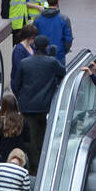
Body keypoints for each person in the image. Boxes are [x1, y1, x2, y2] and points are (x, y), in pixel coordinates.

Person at [12, 35, 67, 173]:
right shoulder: (52, 62)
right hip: (45, 106)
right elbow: (63, 73)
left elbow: (16, 84)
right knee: (43, 136)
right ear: (47, 47)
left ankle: (34, 166)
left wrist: (20, 98)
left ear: (34, 46)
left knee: (30, 137)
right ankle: (43, 165)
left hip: (27, 106)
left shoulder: (24, 63)